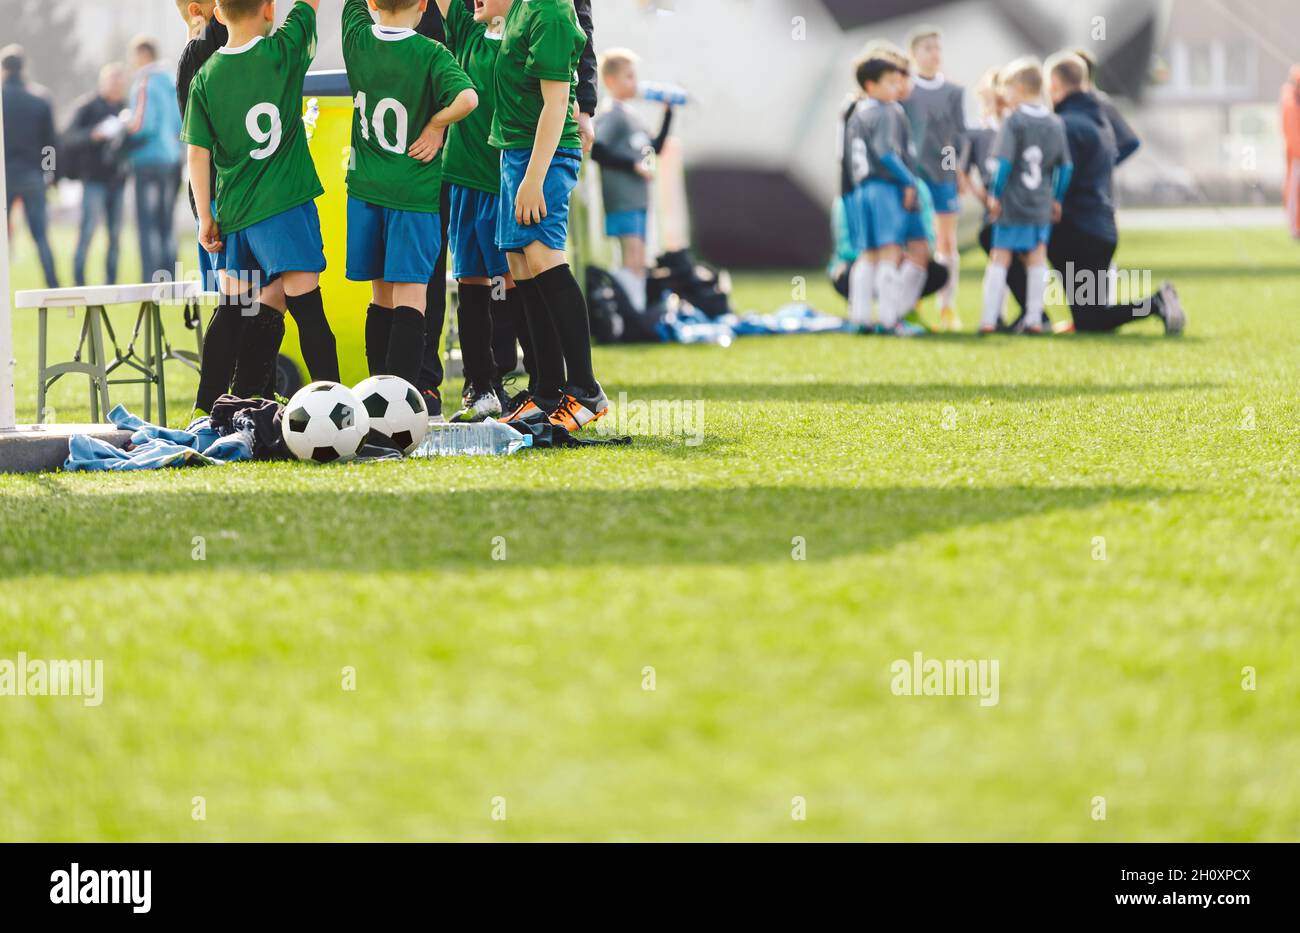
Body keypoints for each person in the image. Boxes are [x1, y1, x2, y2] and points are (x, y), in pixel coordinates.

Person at [415, 0, 594, 421]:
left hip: (525, 169)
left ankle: (567, 386)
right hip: (493, 167)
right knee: (496, 273)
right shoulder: (480, 25)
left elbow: (556, 100)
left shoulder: (543, 17)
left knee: (530, 270)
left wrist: (584, 105)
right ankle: (511, 388)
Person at [182, 0, 340, 405]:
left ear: (218, 13)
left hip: (234, 214)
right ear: (269, 10)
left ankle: (209, 409)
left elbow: (197, 155)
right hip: (285, 207)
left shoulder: (206, 77)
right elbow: (308, 6)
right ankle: (336, 407)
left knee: (232, 312)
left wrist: (204, 217)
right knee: (308, 310)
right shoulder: (284, 50)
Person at [342, 0, 477, 394]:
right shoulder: (432, 52)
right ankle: (400, 399)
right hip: (414, 195)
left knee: (380, 295)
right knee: (411, 296)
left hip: (366, 192)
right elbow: (468, 98)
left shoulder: (356, 38)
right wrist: (436, 126)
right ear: (423, 4)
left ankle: (375, 394)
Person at [1002, 52, 1182, 336]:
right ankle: (1154, 303)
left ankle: (1033, 316)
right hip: (1102, 229)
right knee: (1092, 317)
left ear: (1056, 85)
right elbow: (1128, 144)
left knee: (999, 239)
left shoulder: (1064, 125)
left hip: (1075, 231)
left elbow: (1057, 176)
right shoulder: (1101, 118)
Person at [492, 0, 608, 431]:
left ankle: (585, 391)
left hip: (543, 159)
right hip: (516, 154)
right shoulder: (524, 4)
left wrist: (534, 178)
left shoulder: (554, 12)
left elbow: (558, 103)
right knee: (521, 265)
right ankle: (546, 391)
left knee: (544, 259)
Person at [435, 0, 519, 421]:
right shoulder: (467, 33)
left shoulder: (525, 39)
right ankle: (480, 384)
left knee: (507, 283)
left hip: (506, 183)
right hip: (465, 183)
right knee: (470, 282)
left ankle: (514, 378)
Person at [979, 58, 1071, 336]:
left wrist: (994, 195)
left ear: (1018, 88)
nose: (1004, 96)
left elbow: (1004, 163)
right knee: (1037, 258)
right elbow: (1065, 166)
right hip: (1040, 200)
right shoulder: (1055, 122)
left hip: (1012, 201)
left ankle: (988, 319)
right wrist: (1057, 198)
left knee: (1000, 257)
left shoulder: (1014, 120)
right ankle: (1033, 319)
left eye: (1007, 89)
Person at [842, 53, 920, 335]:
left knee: (867, 255)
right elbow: (886, 152)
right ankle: (889, 320)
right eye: (889, 82)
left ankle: (859, 317)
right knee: (890, 253)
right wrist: (908, 180)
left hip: (862, 189)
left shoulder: (857, 113)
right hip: (885, 189)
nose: (896, 88)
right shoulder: (888, 111)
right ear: (871, 86)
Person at [592, 47, 673, 314]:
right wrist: (632, 165)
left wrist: (668, 114)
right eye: (629, 76)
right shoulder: (612, 114)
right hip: (622, 199)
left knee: (639, 259)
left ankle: (635, 311)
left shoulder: (632, 116)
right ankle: (627, 312)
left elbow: (655, 148)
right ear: (611, 80)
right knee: (631, 257)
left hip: (639, 199)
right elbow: (597, 149)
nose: (635, 82)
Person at [903, 27, 967, 330]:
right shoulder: (905, 91)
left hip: (943, 176)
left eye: (937, 48)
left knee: (946, 241)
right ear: (914, 54)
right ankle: (911, 304)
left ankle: (947, 307)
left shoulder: (953, 91)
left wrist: (959, 171)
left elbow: (957, 137)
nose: (934, 53)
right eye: (927, 48)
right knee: (915, 241)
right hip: (915, 177)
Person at [124, 36, 183, 282]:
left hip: (149, 161)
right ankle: (169, 276)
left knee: (148, 224)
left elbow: (142, 125)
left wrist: (123, 128)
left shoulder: (146, 82)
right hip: (173, 159)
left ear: (144, 55)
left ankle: (151, 278)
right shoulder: (173, 81)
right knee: (167, 223)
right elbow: (181, 123)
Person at [65, 64, 129, 287]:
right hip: (93, 180)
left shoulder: (127, 108)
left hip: (118, 181)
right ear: (102, 83)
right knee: (87, 232)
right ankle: (78, 280)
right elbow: (69, 138)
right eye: (112, 82)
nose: (116, 87)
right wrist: (94, 134)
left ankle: (111, 282)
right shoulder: (87, 107)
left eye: (120, 83)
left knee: (115, 236)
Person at [1, 45, 60, 288]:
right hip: (33, 176)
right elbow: (51, 143)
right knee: (41, 237)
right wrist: (51, 173)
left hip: (4, 176)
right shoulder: (40, 98)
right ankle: (54, 286)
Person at [1281, 66, 1300, 240]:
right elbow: (1293, 134)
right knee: (1294, 192)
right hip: (1296, 156)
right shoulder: (1291, 102)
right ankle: (1295, 228)